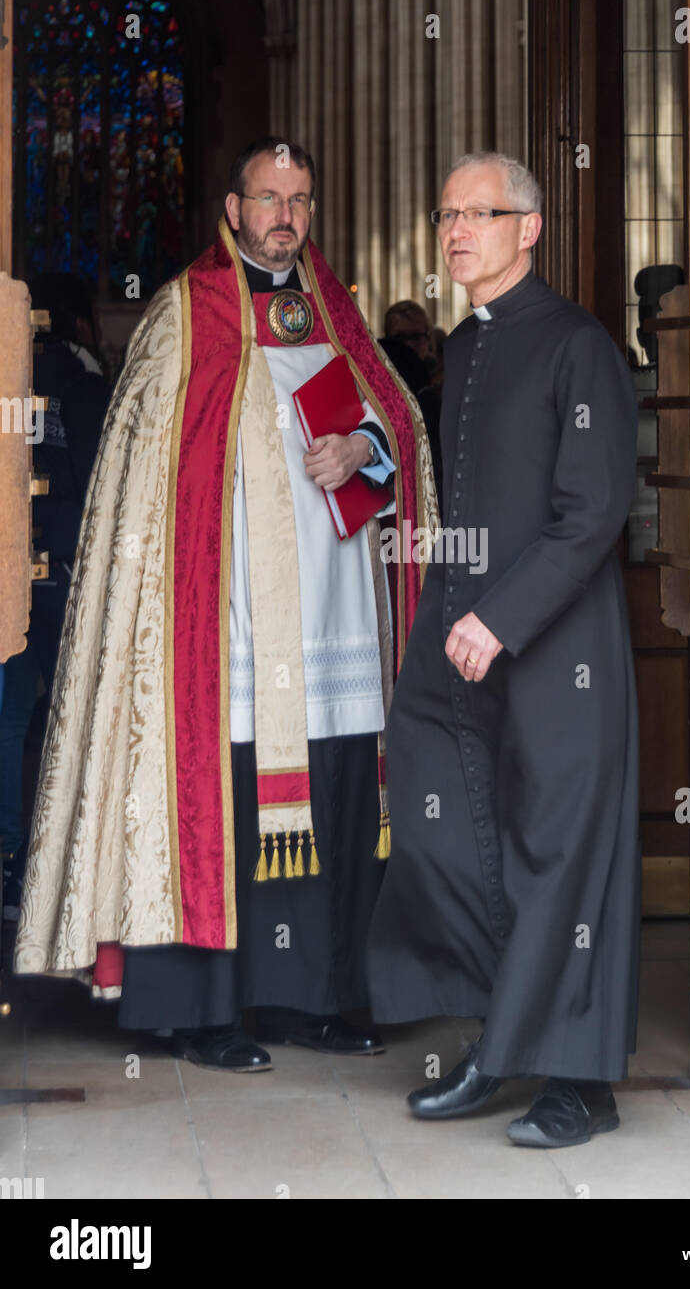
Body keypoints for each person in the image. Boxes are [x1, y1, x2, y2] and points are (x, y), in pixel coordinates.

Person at [15, 137, 437, 1072]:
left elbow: (400, 425)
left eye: (300, 200)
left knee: (328, 798)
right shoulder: (185, 313)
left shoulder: (337, 312)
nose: (285, 215)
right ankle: (207, 1012)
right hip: (225, 627)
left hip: (337, 617)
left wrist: (363, 452)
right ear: (233, 207)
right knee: (226, 802)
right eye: (268, 197)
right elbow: (149, 475)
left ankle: (311, 999)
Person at [367, 151, 640, 1147]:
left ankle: (578, 1082)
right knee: (440, 803)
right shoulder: (468, 344)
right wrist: (446, 619)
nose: (454, 232)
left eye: (476, 214)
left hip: (559, 645)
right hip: (467, 636)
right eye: (444, 214)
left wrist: (501, 618)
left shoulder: (579, 345)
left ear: (528, 228)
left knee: (561, 852)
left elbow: (593, 511)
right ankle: (507, 1031)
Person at [0, 273, 110, 917]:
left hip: (15, 562)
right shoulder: (87, 386)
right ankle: (62, 865)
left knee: (12, 714)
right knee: (76, 713)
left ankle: (10, 856)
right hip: (67, 563)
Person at [379, 300, 434, 398]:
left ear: (428, 338)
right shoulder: (376, 378)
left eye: (417, 336)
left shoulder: (443, 379)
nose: (409, 344)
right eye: (400, 337)